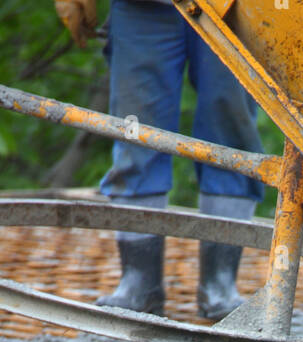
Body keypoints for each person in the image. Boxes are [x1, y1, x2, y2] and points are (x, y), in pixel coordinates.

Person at [55, 0, 263, 320]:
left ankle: (220, 283)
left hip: (235, 6)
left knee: (232, 133)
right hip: (141, 6)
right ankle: (139, 282)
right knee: (135, 130)